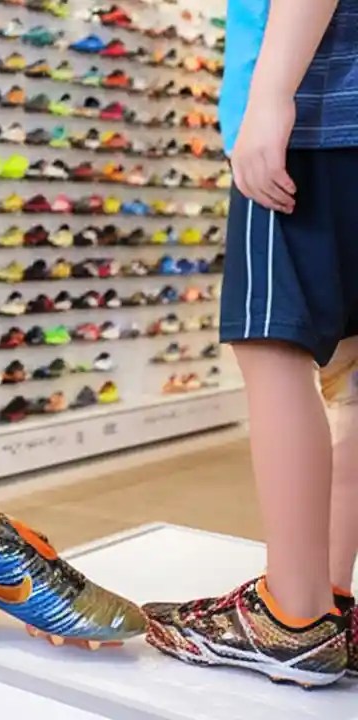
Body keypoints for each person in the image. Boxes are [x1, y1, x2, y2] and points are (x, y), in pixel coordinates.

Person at [142, 0, 357, 685]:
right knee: (352, 373)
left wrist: (269, 95)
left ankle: (293, 617)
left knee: (271, 346)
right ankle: (328, 600)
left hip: (321, 115)